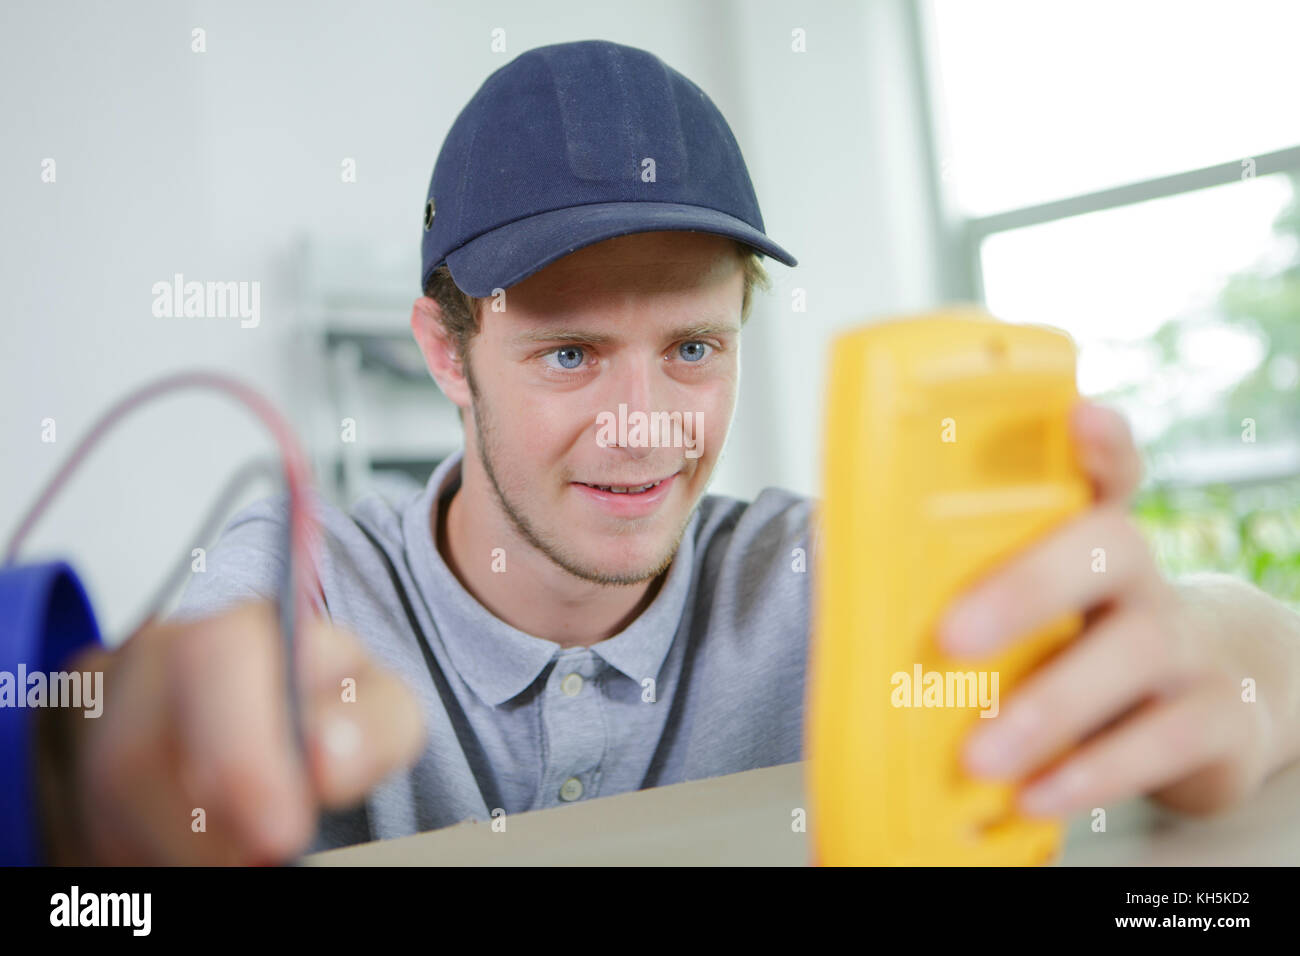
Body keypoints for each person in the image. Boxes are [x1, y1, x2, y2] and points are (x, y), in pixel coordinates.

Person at [24, 39, 1300, 865]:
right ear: (443, 348)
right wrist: (91, 799)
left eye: (692, 348)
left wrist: (1209, 652)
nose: (644, 427)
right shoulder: (302, 587)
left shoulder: (825, 570)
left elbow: (1267, 648)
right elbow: (130, 759)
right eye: (570, 355)